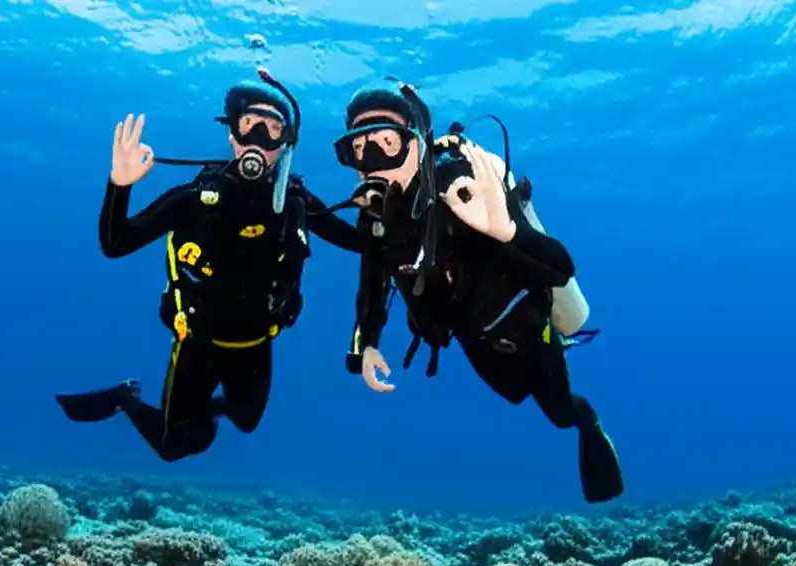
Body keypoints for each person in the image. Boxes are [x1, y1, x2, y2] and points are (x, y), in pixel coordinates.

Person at [331, 78, 624, 503]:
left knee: (561, 413)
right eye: (359, 148)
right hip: (469, 334)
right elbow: (373, 280)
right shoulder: (379, 215)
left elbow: (560, 267)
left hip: (526, 329)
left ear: (415, 142)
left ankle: (589, 423)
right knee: (511, 395)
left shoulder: (463, 185)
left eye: (386, 142)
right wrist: (368, 344)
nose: (373, 161)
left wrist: (505, 232)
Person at [56, 70, 364, 462]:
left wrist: (381, 205)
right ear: (231, 133)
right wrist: (120, 184)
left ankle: (206, 410)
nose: (258, 141)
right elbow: (115, 244)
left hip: (255, 344)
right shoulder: (195, 199)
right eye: (249, 125)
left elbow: (358, 242)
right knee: (175, 447)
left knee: (247, 421)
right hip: (197, 344)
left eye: (272, 131)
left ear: (285, 145)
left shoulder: (295, 202)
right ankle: (126, 399)